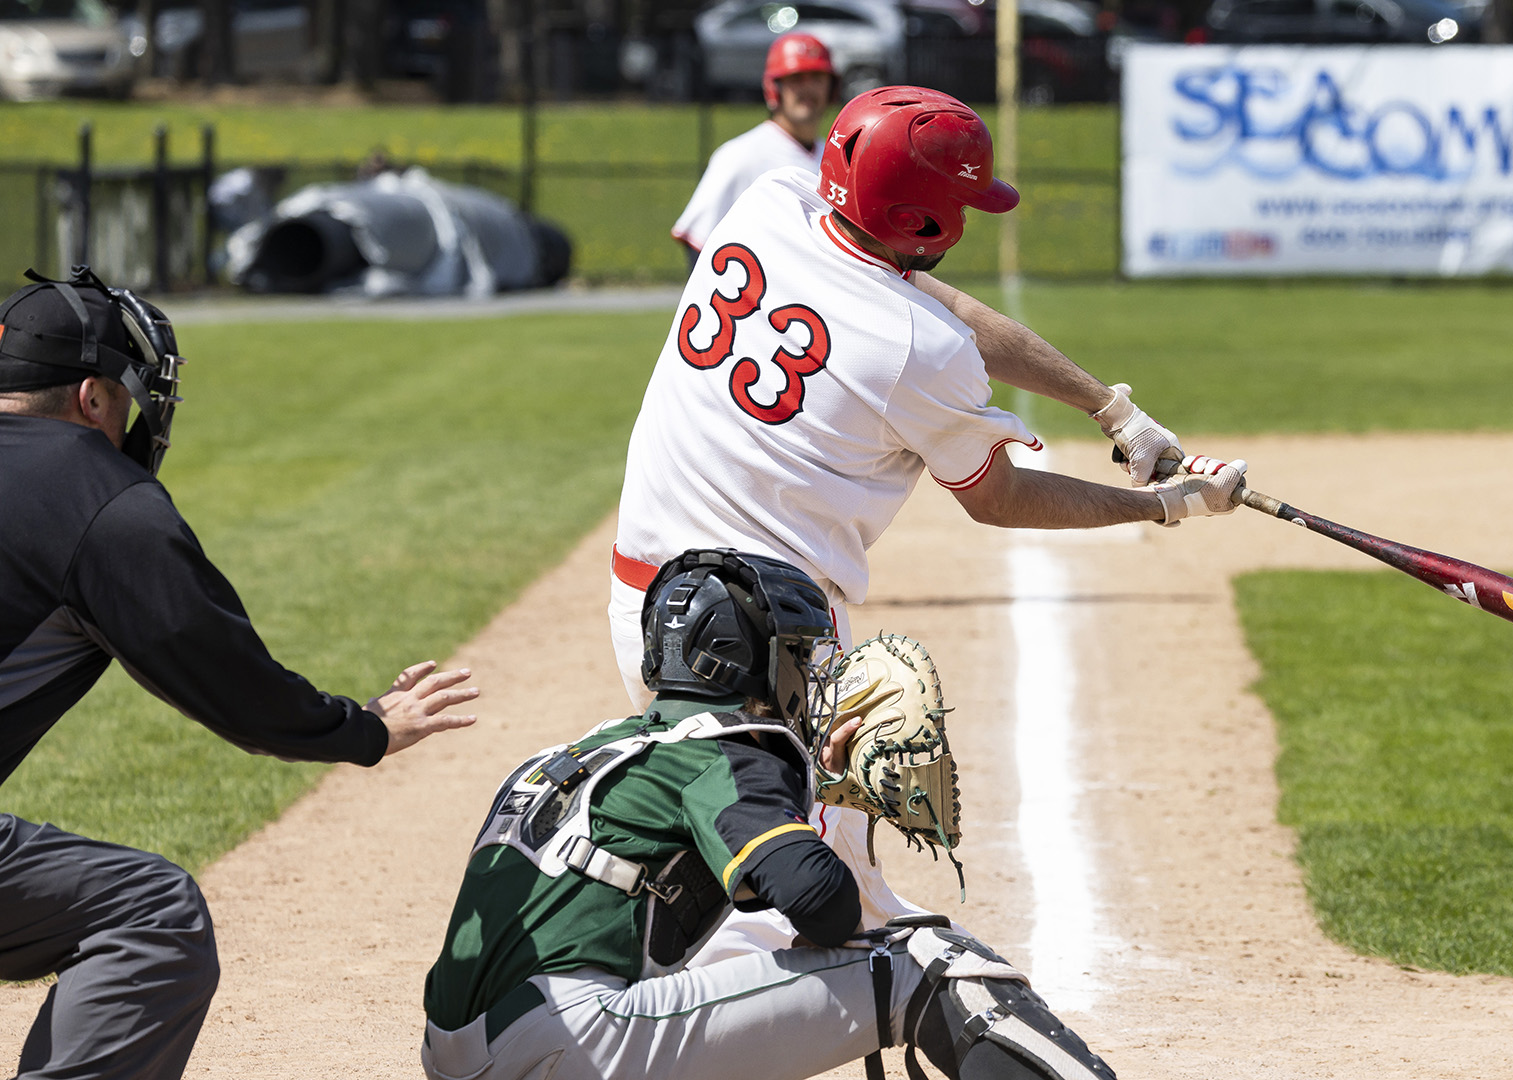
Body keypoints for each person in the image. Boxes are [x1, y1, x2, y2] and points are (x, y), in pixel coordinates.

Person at [611, 86, 1248, 958]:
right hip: (761, 641)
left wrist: (1113, 411)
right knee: (782, 910)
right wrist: (1164, 505)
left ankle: (851, 917)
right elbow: (1000, 496)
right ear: (925, 221)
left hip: (645, 604)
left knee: (818, 868)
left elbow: (948, 310)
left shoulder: (770, 204)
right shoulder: (916, 352)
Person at [0, 267, 479, 1080]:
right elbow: (222, 675)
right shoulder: (97, 496)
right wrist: (364, 728)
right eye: (128, 396)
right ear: (91, 398)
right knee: (151, 915)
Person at [422, 547, 1116, 1080]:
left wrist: (808, 785)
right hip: (569, 1043)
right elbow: (823, 906)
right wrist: (813, 792)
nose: (807, 673)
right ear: (743, 661)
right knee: (927, 959)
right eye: (796, 654)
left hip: (463, 1051)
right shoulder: (728, 754)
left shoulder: (579, 752)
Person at [670, 32, 836, 267]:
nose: (808, 88)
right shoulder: (741, 155)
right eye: (797, 78)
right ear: (774, 89)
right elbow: (699, 241)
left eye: (817, 78)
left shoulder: (834, 159)